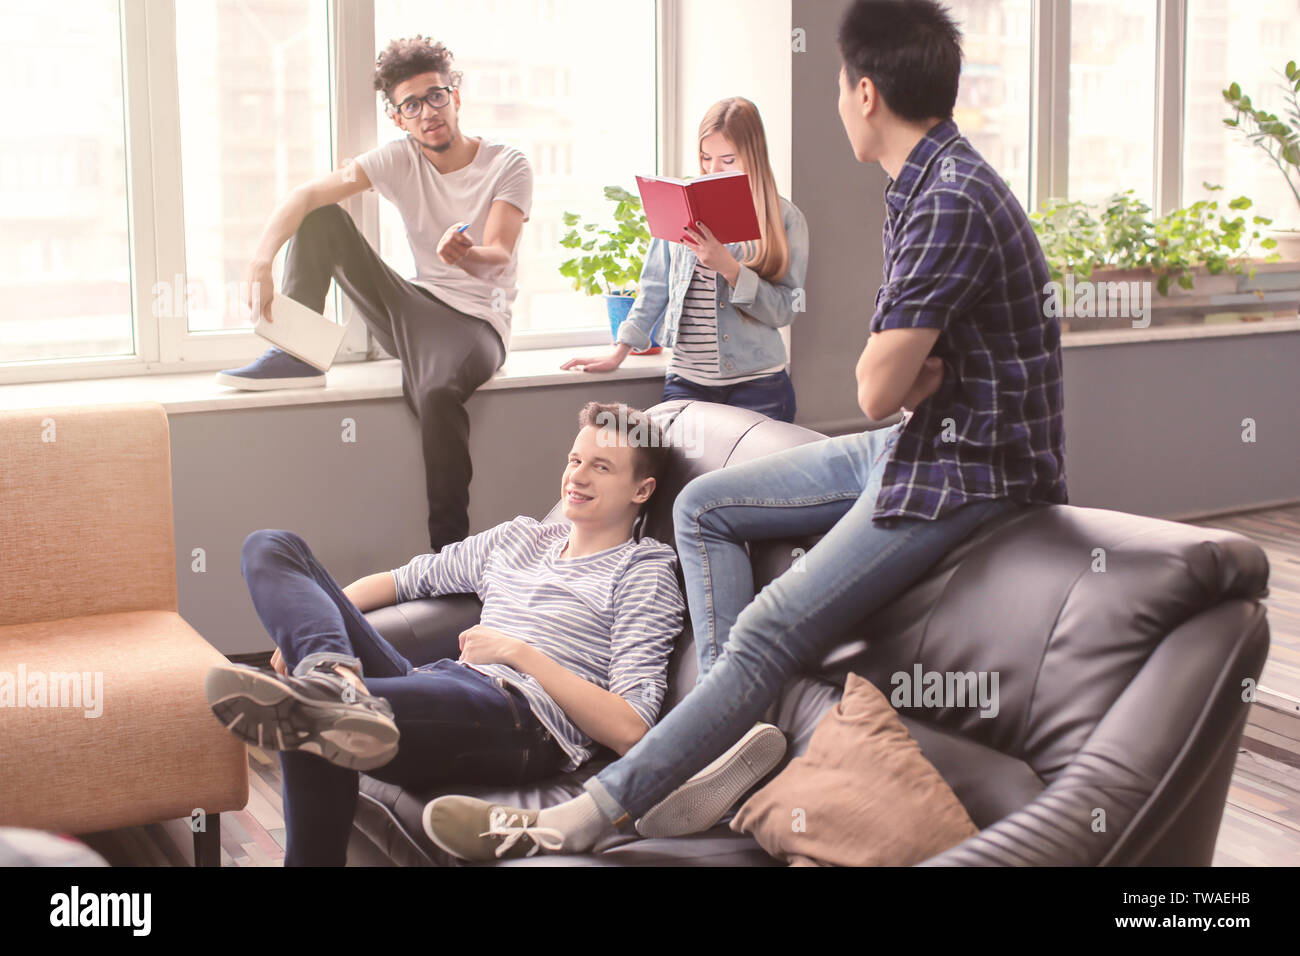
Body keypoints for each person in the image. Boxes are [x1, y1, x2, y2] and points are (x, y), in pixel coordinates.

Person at [421, 0, 1068, 861]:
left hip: (966, 468)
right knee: (705, 508)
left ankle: (575, 818)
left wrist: (904, 368)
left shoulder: (946, 199)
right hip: (926, 435)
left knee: (767, 631)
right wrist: (913, 368)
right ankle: (724, 745)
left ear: (865, 92)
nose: (839, 101)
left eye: (840, 85)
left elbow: (875, 387)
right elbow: (899, 373)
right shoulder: (927, 184)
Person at [204, 401, 687, 866]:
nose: (577, 476)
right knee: (271, 546)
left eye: (601, 467)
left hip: (518, 717)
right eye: (575, 459)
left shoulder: (644, 571)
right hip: (439, 680)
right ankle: (332, 677)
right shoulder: (519, 538)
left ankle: (328, 696)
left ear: (641, 491)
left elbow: (631, 728)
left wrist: (518, 653)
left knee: (306, 713)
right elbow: (404, 580)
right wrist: (311, 631)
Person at [215, 36, 532, 551]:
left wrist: (466, 255)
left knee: (434, 394)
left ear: (456, 94)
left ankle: (447, 557)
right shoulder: (399, 158)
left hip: (476, 324)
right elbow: (305, 195)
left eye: (435, 96)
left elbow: (498, 251)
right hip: (415, 308)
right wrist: (260, 259)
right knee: (321, 218)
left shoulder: (507, 164)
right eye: (411, 104)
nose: (427, 112)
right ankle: (299, 353)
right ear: (396, 116)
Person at [561, 97, 808, 424]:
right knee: (678, 474)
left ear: (754, 156)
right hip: (687, 382)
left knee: (751, 476)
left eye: (728, 160)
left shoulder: (784, 218)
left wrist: (731, 270)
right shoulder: (683, 207)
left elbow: (787, 308)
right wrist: (620, 351)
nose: (713, 170)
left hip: (760, 385)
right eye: (706, 158)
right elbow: (654, 288)